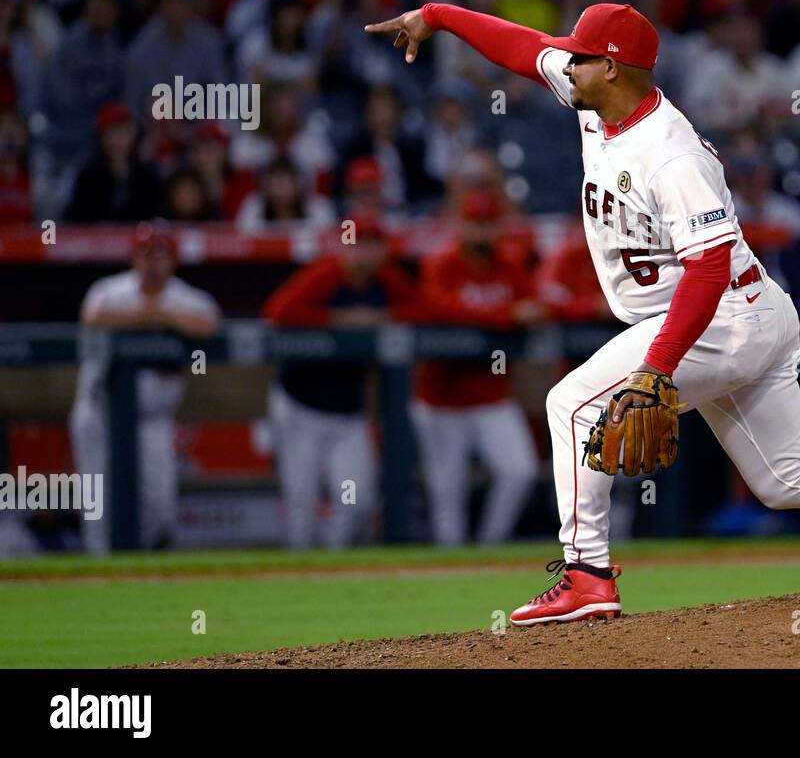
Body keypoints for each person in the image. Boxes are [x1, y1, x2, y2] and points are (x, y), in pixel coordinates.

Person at [366, 0, 800, 625]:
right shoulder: (589, 94)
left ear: (614, 67)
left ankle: (587, 575)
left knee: (571, 404)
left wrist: (656, 369)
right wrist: (437, 17)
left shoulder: (671, 153)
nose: (565, 64)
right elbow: (524, 47)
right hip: (745, 312)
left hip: (722, 315)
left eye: (581, 55)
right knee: (783, 476)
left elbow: (708, 269)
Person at [260, 212, 421, 548]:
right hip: (300, 406)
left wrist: (382, 317)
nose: (364, 252)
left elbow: (428, 310)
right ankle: (297, 581)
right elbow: (276, 313)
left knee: (356, 500)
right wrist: (336, 319)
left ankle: (332, 571)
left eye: (373, 245)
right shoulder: (327, 274)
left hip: (347, 414)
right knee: (301, 505)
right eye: (357, 243)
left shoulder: (386, 282)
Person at [69, 220, 222, 553]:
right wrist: (147, 315)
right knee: (98, 503)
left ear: (173, 261)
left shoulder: (185, 298)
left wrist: (163, 315)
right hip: (100, 413)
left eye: (162, 255)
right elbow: (92, 316)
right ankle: (99, 573)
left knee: (161, 506)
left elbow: (208, 322)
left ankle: (146, 568)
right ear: (135, 258)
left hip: (152, 418)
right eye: (147, 254)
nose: (153, 262)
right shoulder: (110, 290)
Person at [408, 190, 542, 545]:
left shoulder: (509, 263)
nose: (481, 232)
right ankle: (451, 570)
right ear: (461, 225)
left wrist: (513, 315)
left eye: (487, 224)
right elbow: (442, 310)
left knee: (520, 472)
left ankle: (488, 549)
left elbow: (536, 306)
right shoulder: (442, 263)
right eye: (474, 224)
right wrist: (505, 316)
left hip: (492, 395)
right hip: (442, 399)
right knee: (447, 494)